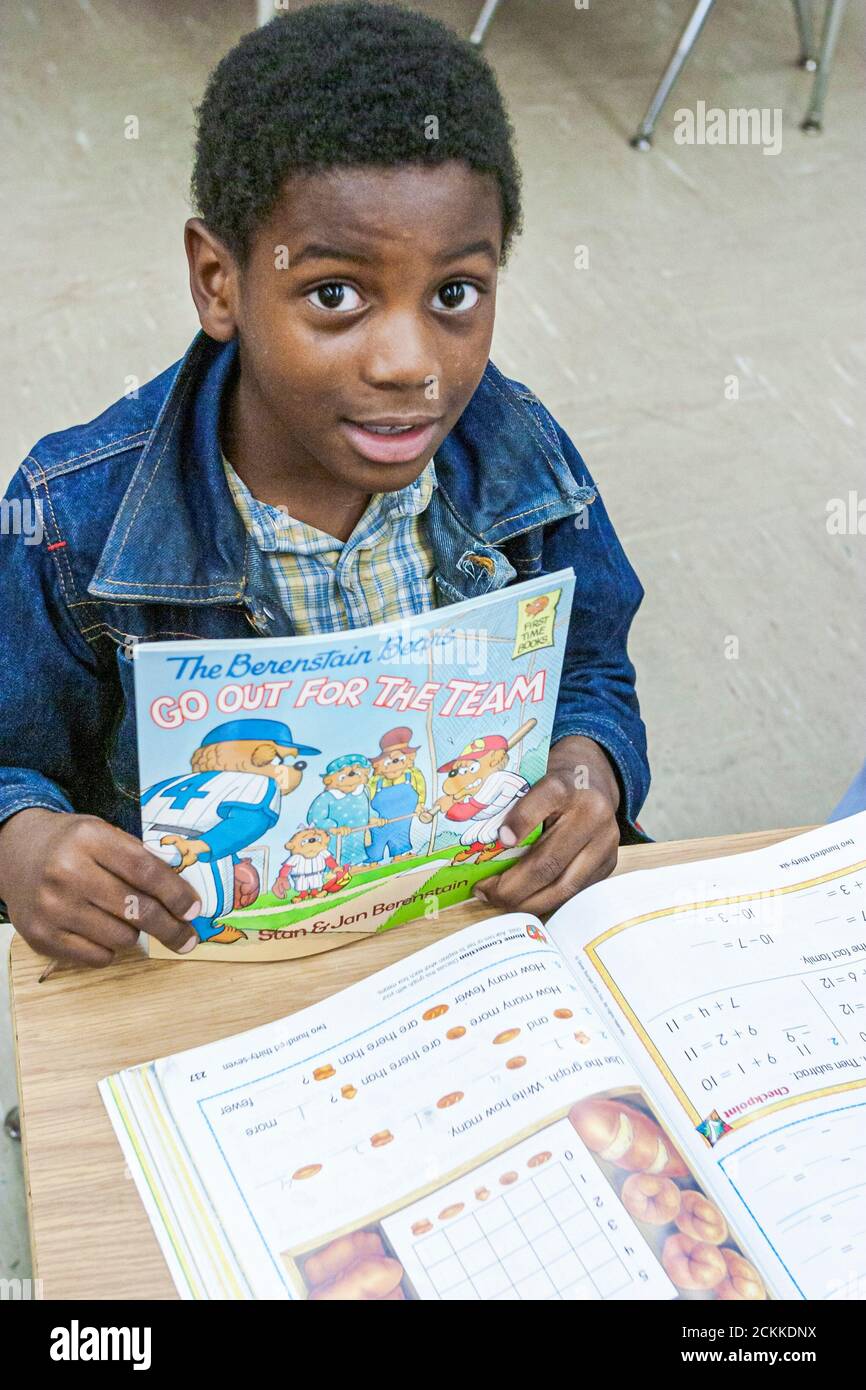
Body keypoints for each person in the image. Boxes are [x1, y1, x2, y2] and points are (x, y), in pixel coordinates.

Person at [0, 2, 648, 968]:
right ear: (219, 281)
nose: (407, 363)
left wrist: (589, 766)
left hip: (466, 950)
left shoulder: (521, 457)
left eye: (455, 294)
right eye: (335, 295)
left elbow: (591, 666)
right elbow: (13, 759)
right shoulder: (70, 521)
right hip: (206, 981)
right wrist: (23, 841)